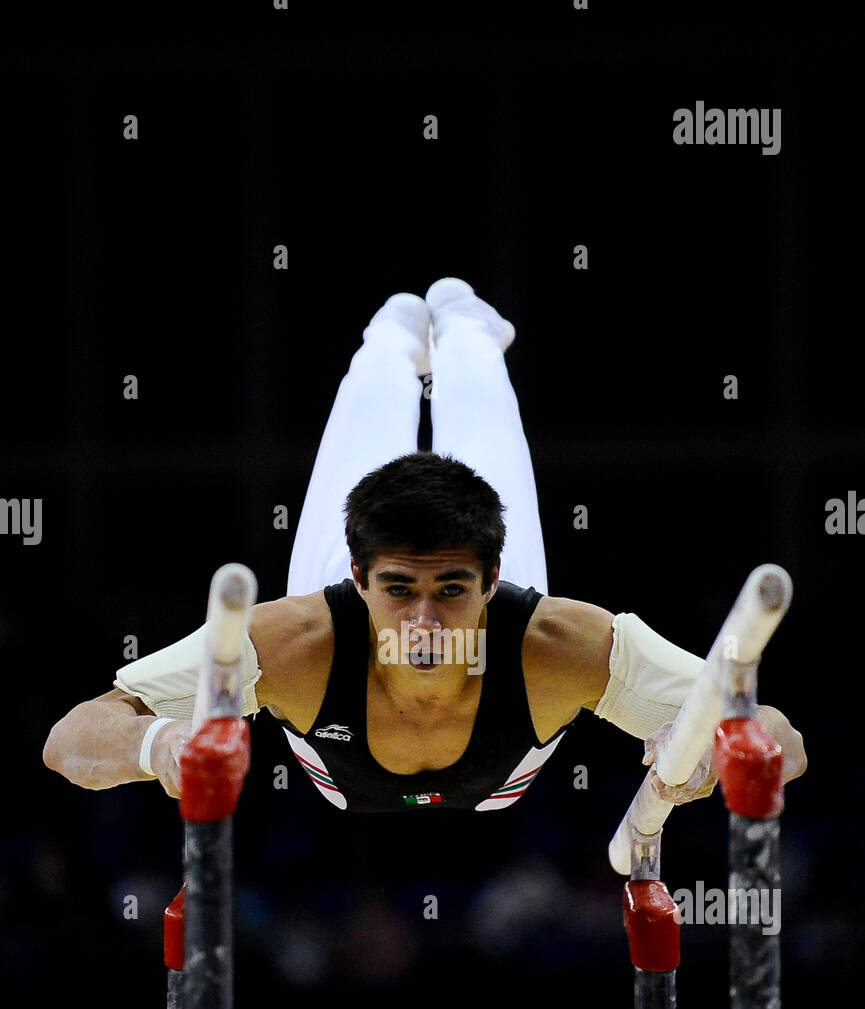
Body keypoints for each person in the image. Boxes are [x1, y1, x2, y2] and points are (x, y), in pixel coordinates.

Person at [43, 278, 806, 809]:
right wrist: (161, 745)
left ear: (490, 579)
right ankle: (392, 336)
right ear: (358, 579)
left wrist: (724, 755)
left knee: (480, 436)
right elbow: (71, 738)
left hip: (491, 704)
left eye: (452, 590)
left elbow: (779, 736)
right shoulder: (291, 640)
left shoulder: (560, 643)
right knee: (375, 399)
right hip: (341, 685)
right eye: (399, 589)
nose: (425, 622)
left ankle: (469, 330)